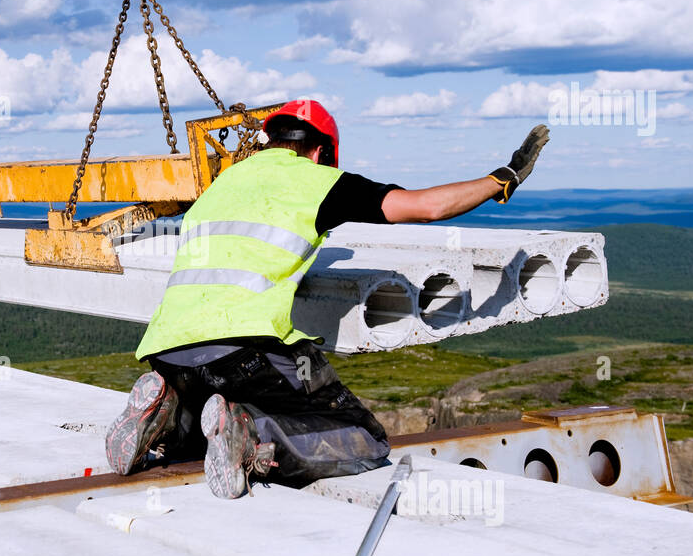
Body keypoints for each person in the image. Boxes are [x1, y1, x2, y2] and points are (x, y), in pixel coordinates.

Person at [105, 98, 549, 499]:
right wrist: (500, 180)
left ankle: (170, 414)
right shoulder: (318, 182)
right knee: (360, 435)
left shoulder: (220, 186)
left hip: (167, 351)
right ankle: (256, 435)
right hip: (245, 346)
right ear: (320, 152)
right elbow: (425, 206)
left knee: (210, 418)